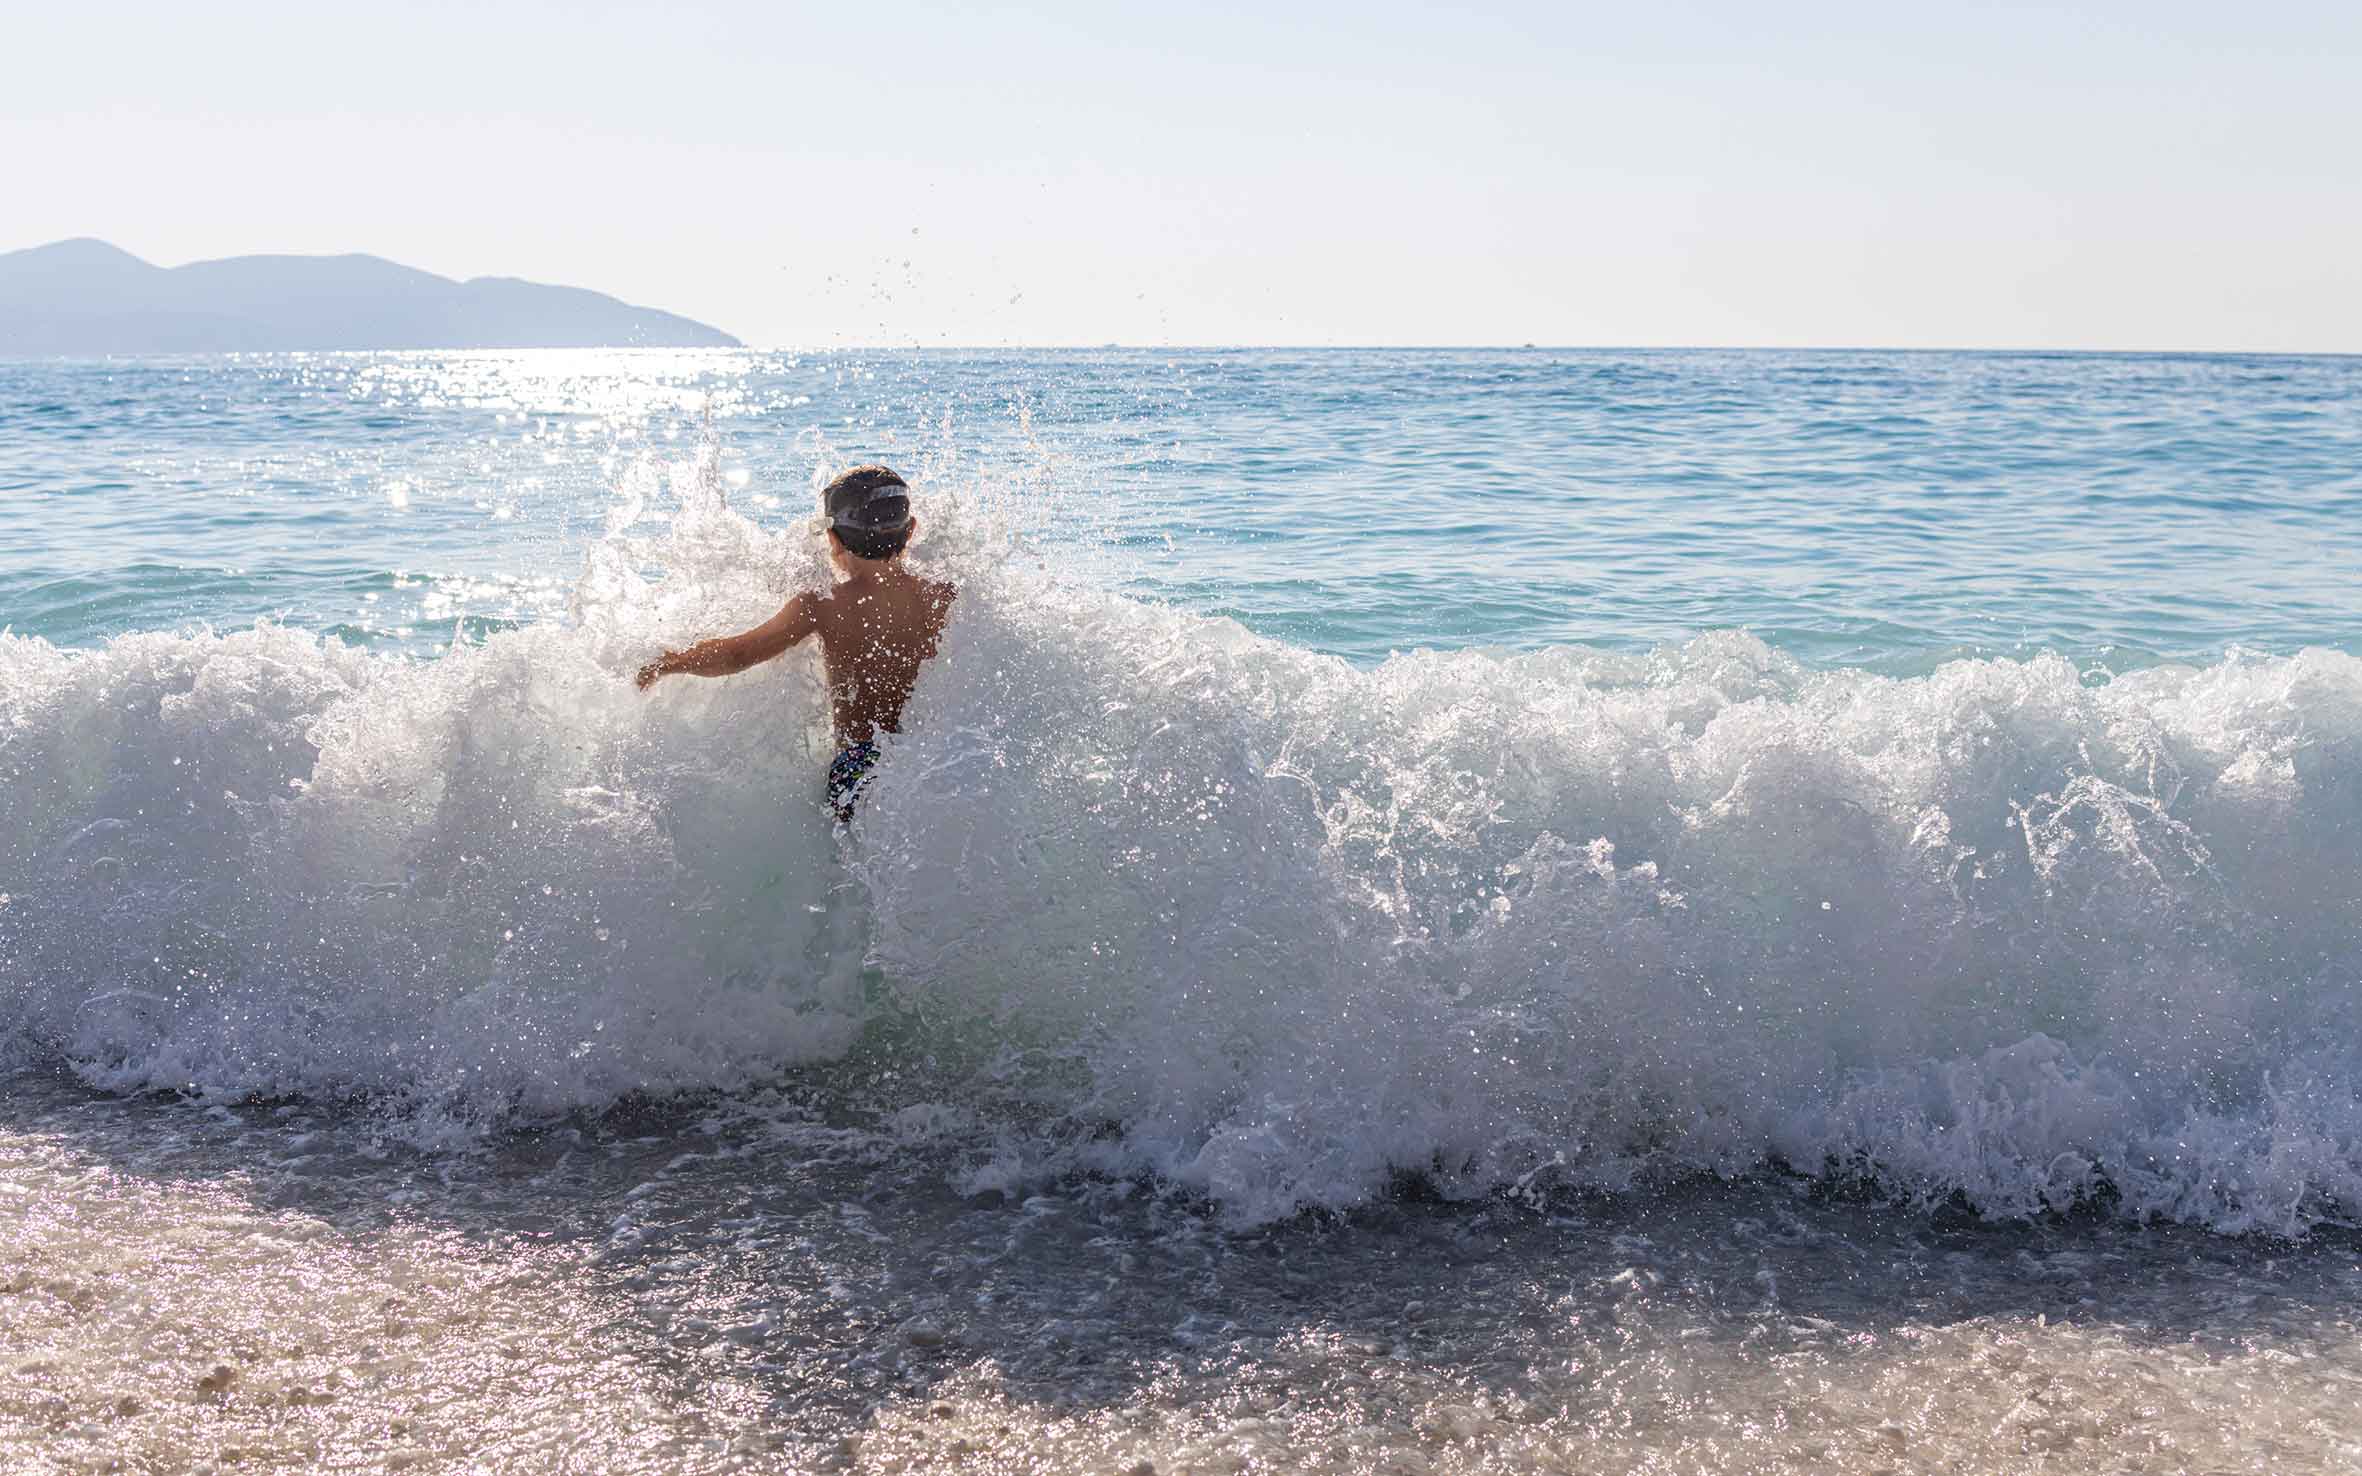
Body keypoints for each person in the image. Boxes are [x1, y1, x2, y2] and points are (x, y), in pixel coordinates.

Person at [635, 465, 956, 821]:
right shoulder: (943, 596)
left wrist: (675, 662)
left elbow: (740, 653)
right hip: (928, 761)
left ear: (832, 540)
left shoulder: (823, 605)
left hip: (858, 766)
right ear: (911, 531)